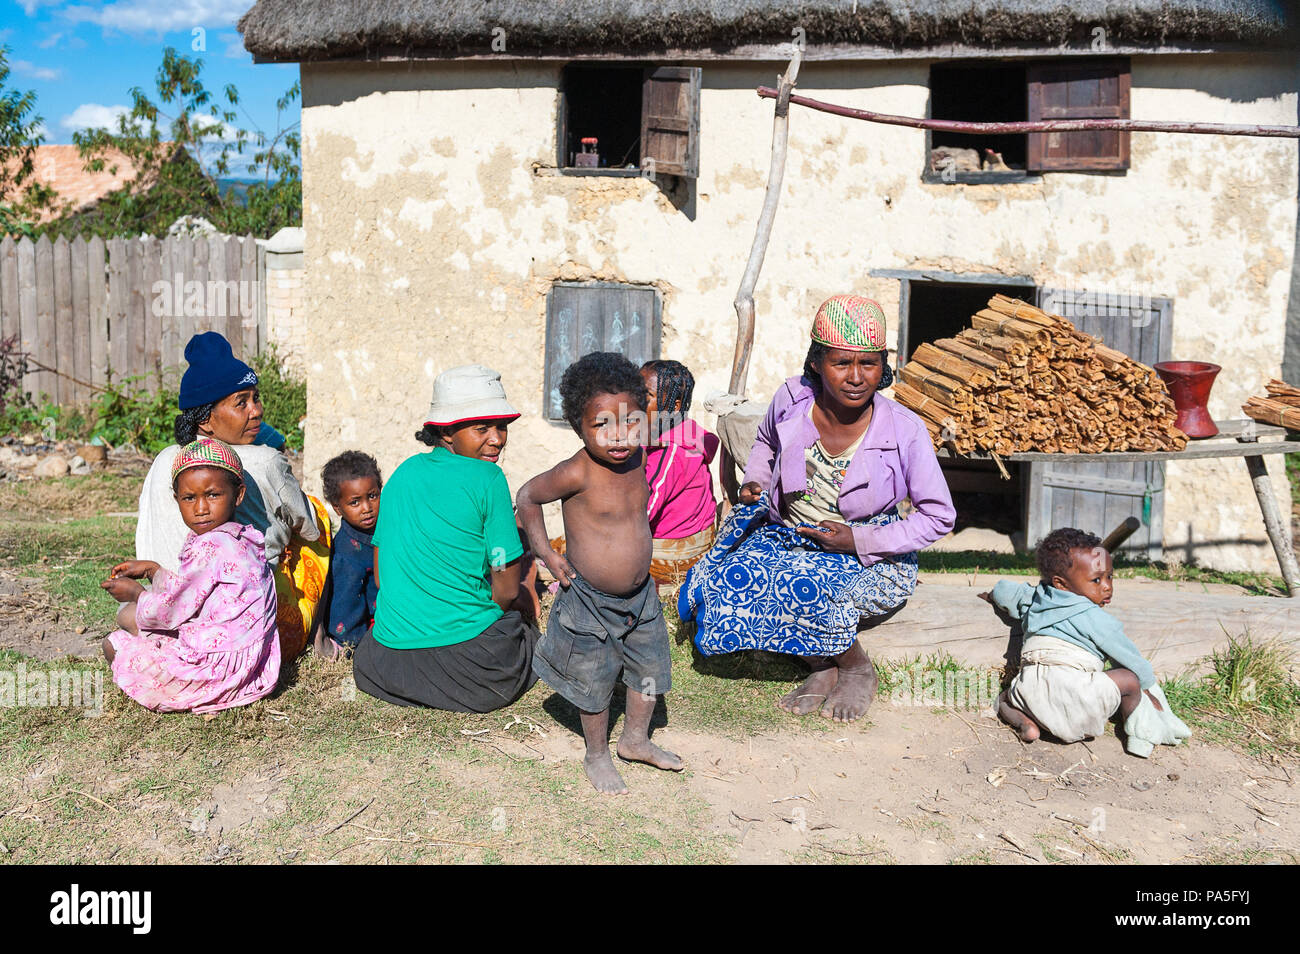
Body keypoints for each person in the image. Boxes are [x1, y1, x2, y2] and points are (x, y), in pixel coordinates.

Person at [679, 295, 956, 723]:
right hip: (788, 538)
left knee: (811, 585)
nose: (856, 377)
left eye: (869, 363)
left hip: (871, 554)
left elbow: (938, 515)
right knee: (724, 576)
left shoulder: (903, 430)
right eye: (841, 363)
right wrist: (755, 480)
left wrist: (857, 539)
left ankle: (856, 667)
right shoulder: (793, 398)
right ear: (816, 362)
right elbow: (767, 444)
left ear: (884, 367)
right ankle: (821, 665)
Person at [517, 352, 682, 795]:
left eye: (629, 422)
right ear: (578, 427)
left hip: (641, 596)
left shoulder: (639, 459)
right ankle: (597, 753)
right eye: (601, 425)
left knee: (650, 669)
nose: (618, 436)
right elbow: (527, 496)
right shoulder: (577, 471)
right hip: (589, 600)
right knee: (593, 678)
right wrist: (546, 555)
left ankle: (635, 739)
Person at [352, 365, 538, 712]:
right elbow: (508, 589)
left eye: (501, 427)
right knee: (521, 632)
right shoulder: (489, 478)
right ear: (447, 433)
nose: (496, 438)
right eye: (482, 428)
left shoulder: (402, 473)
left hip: (385, 663)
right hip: (473, 670)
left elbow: (381, 576)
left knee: (371, 652)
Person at [134, 332, 330, 662]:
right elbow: (308, 529)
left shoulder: (165, 459)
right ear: (206, 420)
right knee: (318, 516)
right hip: (237, 628)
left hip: (162, 614)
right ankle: (321, 630)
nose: (256, 411)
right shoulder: (262, 461)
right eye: (241, 402)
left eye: (256, 398)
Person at [100, 438, 279, 714]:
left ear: (238, 495)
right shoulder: (243, 537)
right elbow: (195, 595)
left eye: (213, 495)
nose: (201, 508)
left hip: (218, 669)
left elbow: (172, 609)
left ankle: (164, 681)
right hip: (253, 666)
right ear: (177, 500)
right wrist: (153, 570)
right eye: (189, 498)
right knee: (133, 618)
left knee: (115, 640)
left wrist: (136, 593)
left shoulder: (211, 545)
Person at [983, 528, 1191, 756]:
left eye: (1110, 576)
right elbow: (1131, 659)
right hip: (1079, 700)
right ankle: (1139, 732)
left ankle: (1026, 724)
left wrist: (992, 596)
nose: (1107, 586)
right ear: (1061, 583)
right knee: (1129, 680)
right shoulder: (1096, 618)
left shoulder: (1034, 597)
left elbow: (1003, 590)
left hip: (1032, 692)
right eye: (1096, 580)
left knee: (1005, 697)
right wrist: (1150, 691)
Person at [640, 360, 720, 583]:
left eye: (645, 395)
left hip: (675, 555)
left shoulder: (671, 452)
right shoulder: (684, 433)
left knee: (577, 552)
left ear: (674, 407)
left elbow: (643, 513)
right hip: (693, 543)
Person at [314, 451, 382, 659]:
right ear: (338, 508)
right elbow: (344, 607)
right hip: (364, 627)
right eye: (355, 502)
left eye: (372, 496)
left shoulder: (384, 529)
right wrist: (354, 643)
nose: (367, 508)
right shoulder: (346, 554)